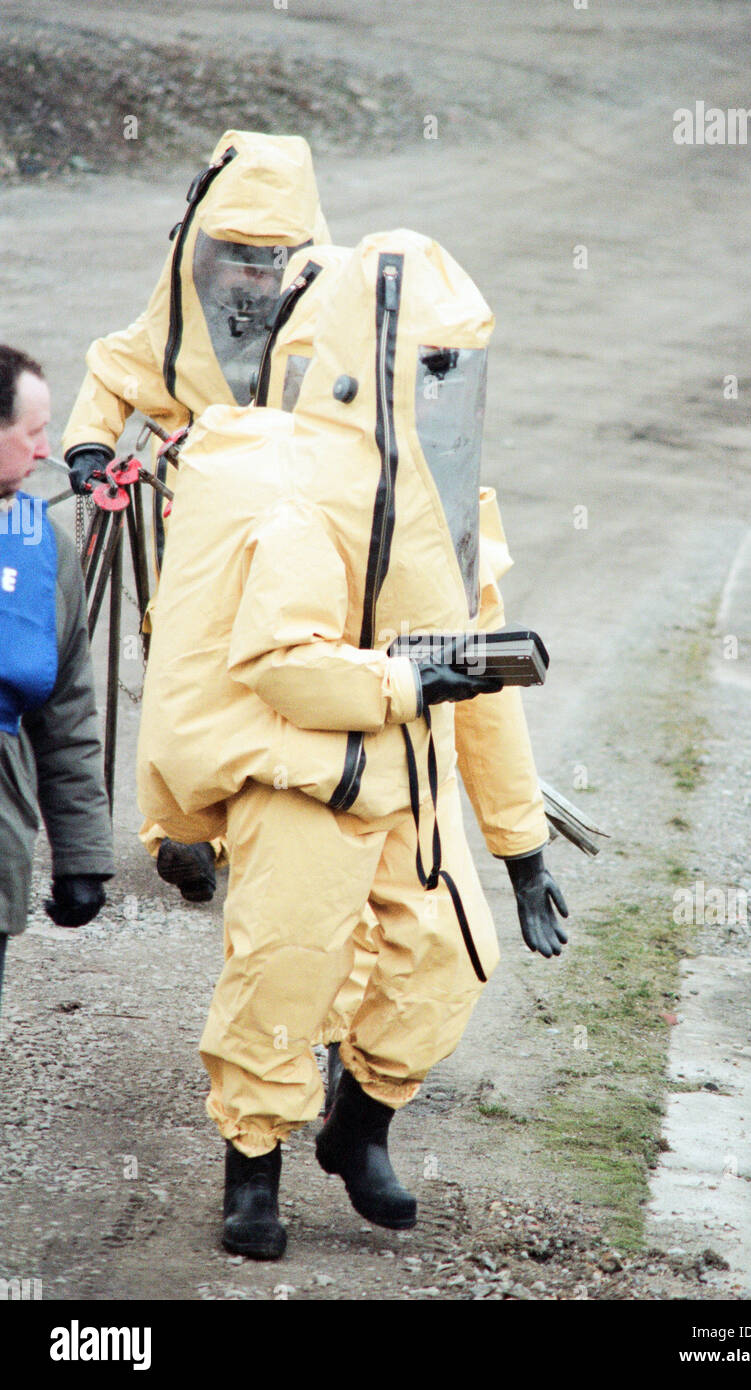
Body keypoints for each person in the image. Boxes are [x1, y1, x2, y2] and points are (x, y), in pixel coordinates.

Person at [137, 231, 569, 1258]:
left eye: (452, 369)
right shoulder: (289, 489)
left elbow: (489, 684)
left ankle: (358, 1126)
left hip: (407, 792)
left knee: (447, 964)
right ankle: (253, 1170)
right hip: (303, 776)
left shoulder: (447, 509)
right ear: (374, 359)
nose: (444, 389)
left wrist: (523, 847)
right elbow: (283, 661)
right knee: (284, 974)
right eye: (429, 367)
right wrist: (405, 680)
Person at [61, 129, 330, 903]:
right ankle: (182, 832)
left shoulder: (333, 308)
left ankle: (264, 819)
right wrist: (87, 445)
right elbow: (118, 369)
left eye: (269, 254)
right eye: (237, 250)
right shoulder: (177, 310)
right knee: (183, 666)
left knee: (281, 671)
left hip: (298, 524)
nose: (252, 271)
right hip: (197, 519)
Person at [0, 346, 114, 1013]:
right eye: (33, 432)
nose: (48, 452)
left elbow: (67, 711)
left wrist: (81, 858)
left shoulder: (46, 547)